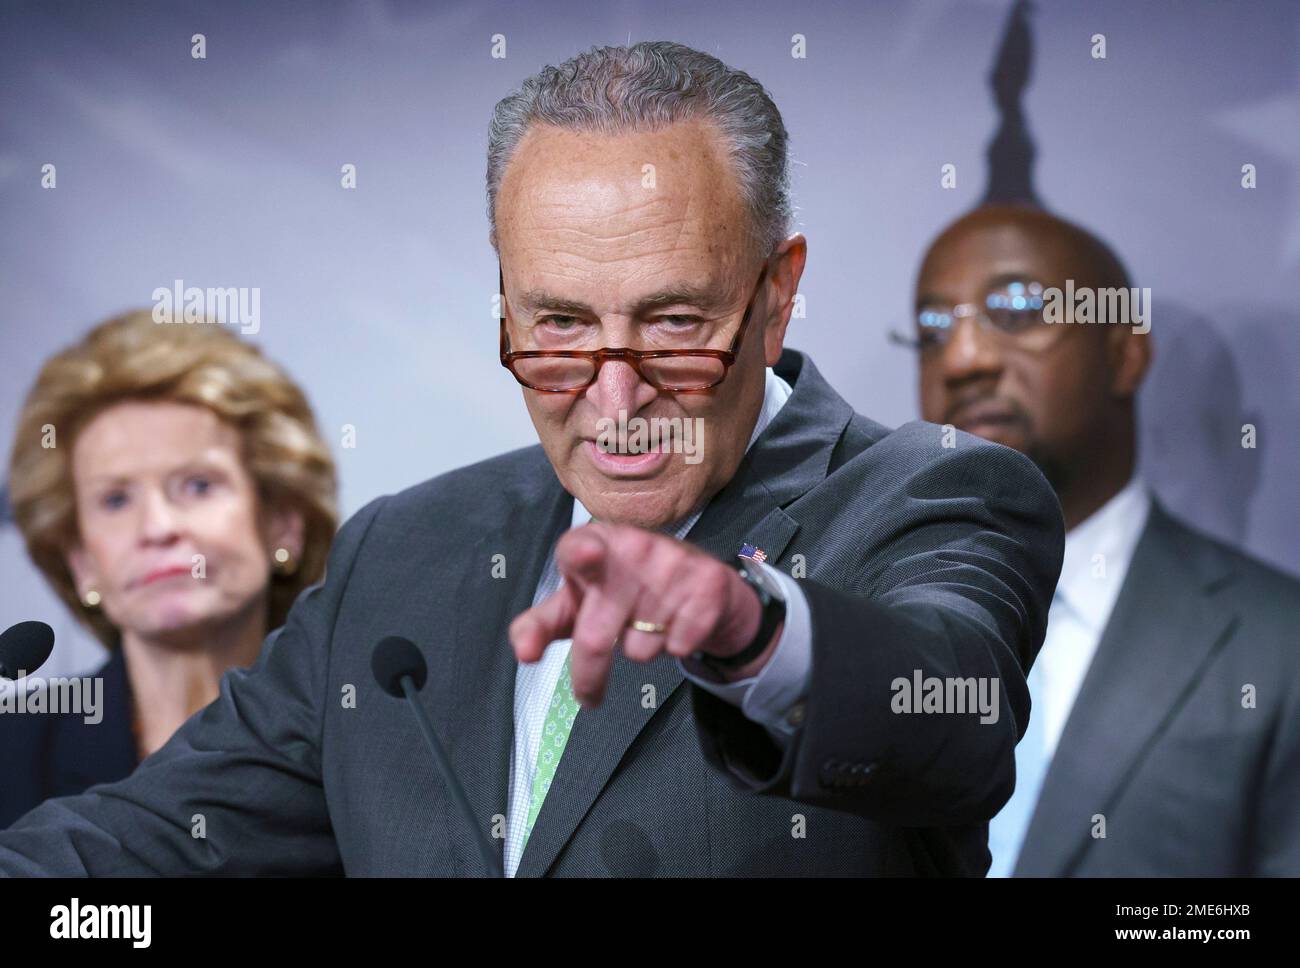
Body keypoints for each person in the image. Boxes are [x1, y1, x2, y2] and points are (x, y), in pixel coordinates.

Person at [0, 41, 1062, 877]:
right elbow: (152, 844)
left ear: (776, 292)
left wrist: (753, 630)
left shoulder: (935, 490)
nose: (613, 396)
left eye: (675, 321)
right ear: (503, 294)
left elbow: (952, 708)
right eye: (555, 324)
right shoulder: (400, 553)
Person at [908, 203, 1300, 875]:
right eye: (933, 328)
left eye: (1019, 311)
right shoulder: (864, 608)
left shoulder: (1279, 647)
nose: (963, 358)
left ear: (1125, 354)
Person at [1, 310, 338, 827]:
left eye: (197, 485)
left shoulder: (363, 744)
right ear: (82, 562)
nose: (156, 527)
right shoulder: (12, 752)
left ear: (282, 524)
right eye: (115, 499)